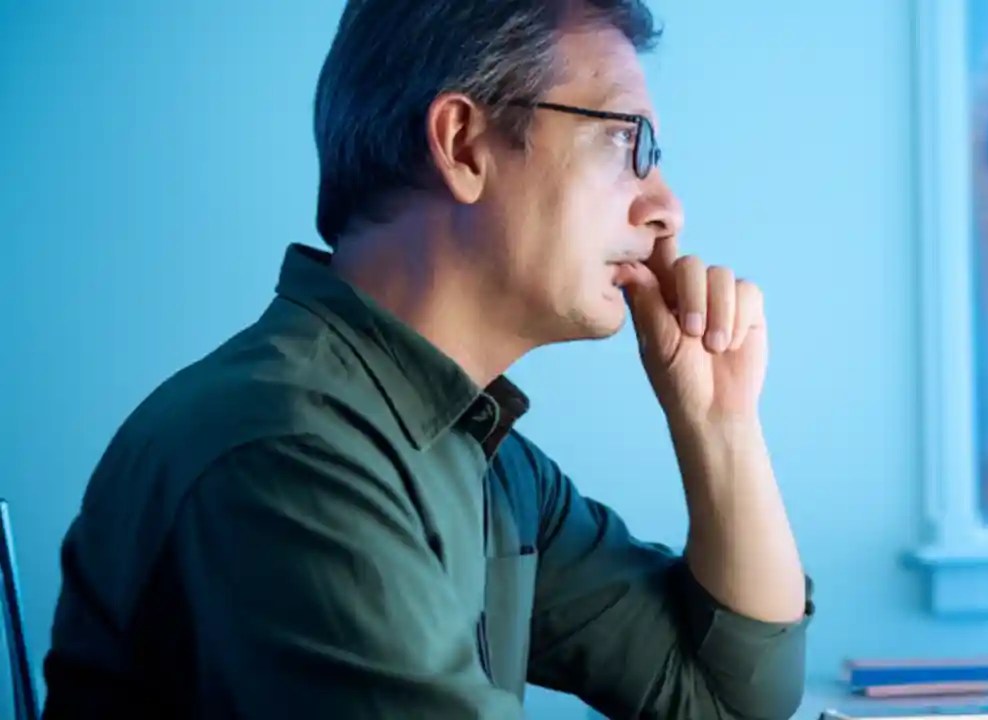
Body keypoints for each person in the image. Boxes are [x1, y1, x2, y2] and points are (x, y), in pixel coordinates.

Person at [41, 0, 813, 717]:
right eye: (623, 139)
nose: (665, 207)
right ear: (462, 144)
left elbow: (727, 700)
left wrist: (719, 424)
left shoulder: (489, 464)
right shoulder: (290, 457)